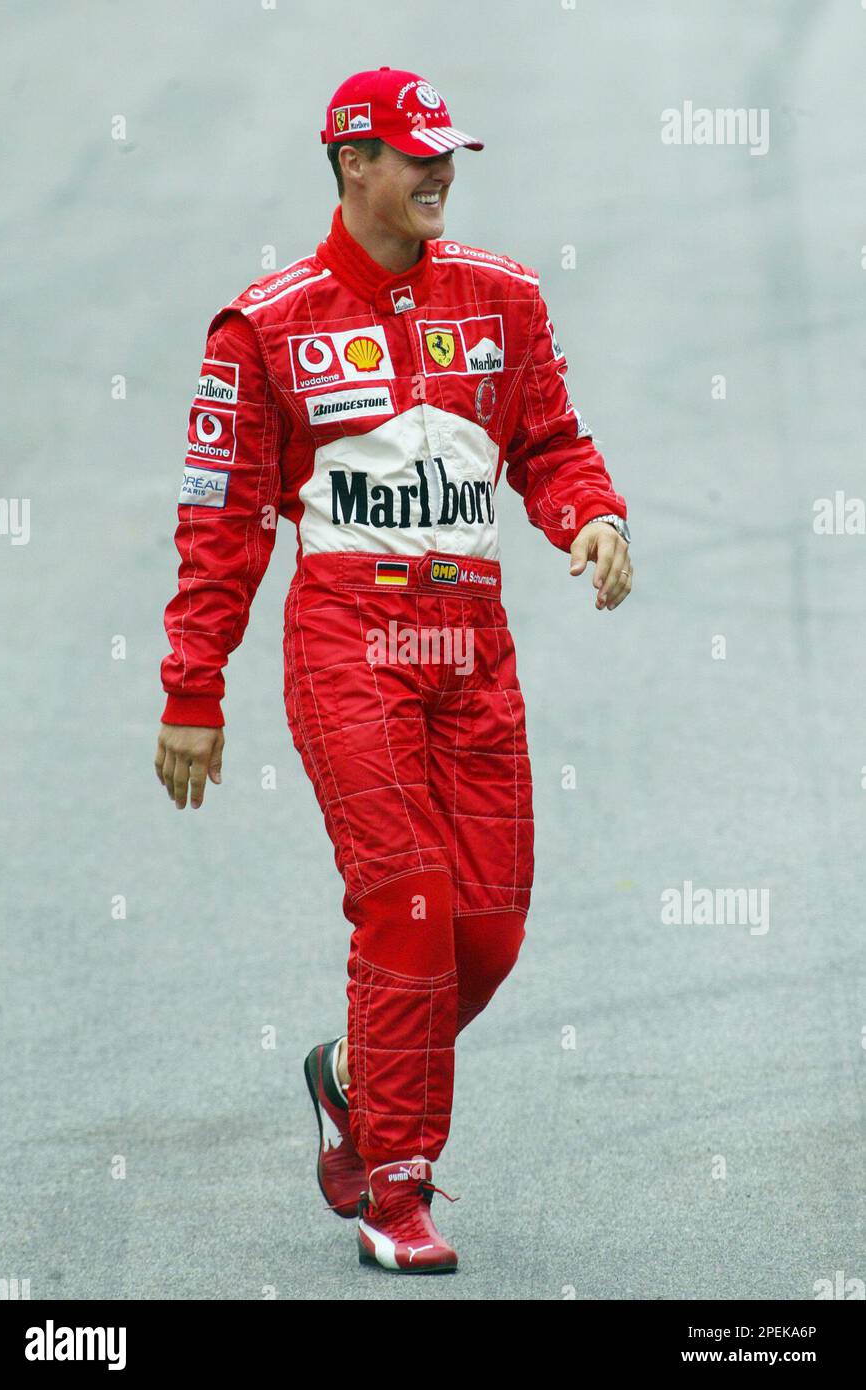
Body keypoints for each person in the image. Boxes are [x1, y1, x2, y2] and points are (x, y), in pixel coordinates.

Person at [156, 66, 632, 1275]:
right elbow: (220, 521)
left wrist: (589, 513)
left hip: (473, 648)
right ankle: (396, 1188)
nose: (440, 172)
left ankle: (351, 1074)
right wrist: (192, 688)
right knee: (411, 910)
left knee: (489, 933)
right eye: (415, 154)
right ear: (349, 163)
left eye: (448, 153)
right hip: (347, 646)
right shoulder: (264, 323)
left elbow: (550, 440)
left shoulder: (504, 297)